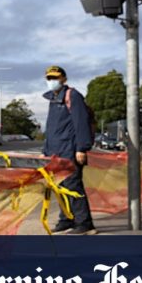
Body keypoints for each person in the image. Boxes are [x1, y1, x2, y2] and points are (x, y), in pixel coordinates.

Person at [42, 65, 97, 235]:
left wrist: (81, 148)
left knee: (73, 187)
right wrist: (45, 151)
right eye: (49, 78)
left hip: (70, 151)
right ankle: (67, 219)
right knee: (60, 187)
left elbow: (81, 123)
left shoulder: (72, 95)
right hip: (55, 152)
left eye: (55, 78)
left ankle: (85, 223)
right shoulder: (53, 98)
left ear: (64, 79)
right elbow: (51, 128)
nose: (52, 81)